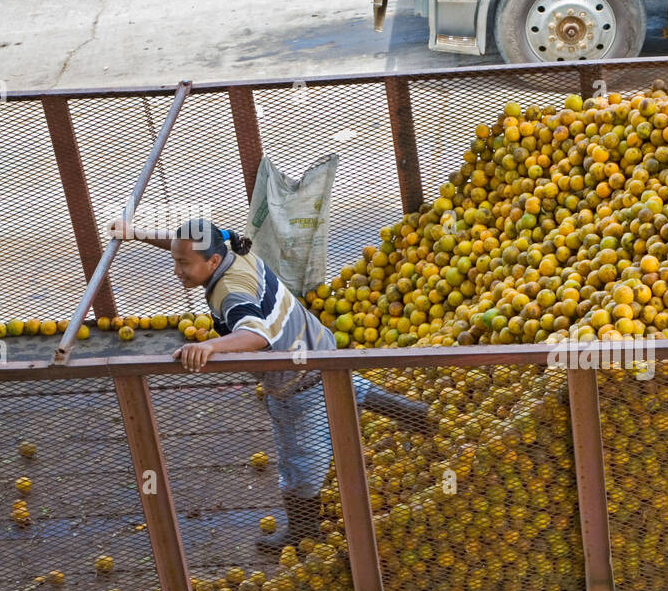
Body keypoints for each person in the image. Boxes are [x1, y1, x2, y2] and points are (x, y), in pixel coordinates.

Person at [111, 217, 432, 552]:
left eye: (183, 264)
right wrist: (138, 234)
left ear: (213, 262)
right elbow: (187, 244)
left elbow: (256, 335)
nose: (177, 270)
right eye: (176, 261)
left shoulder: (231, 293)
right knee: (347, 386)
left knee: (300, 463)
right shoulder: (230, 245)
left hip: (296, 378)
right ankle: (418, 415)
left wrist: (208, 346)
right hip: (319, 346)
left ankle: (303, 531)